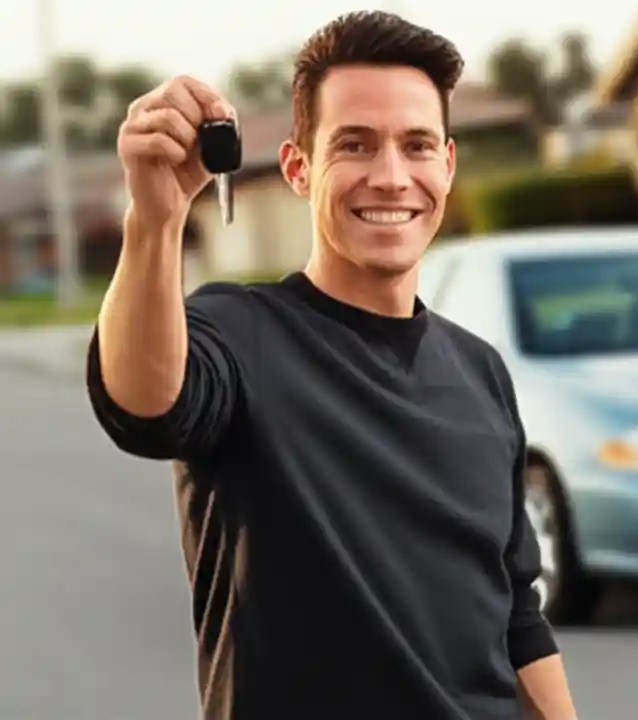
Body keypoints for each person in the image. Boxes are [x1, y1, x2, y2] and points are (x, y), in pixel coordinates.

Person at [85, 10, 578, 720]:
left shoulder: (480, 371)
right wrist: (155, 221)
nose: (391, 177)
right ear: (299, 168)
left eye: (416, 145)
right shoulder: (240, 335)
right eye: (355, 144)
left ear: (447, 164)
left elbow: (517, 617)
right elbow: (144, 404)